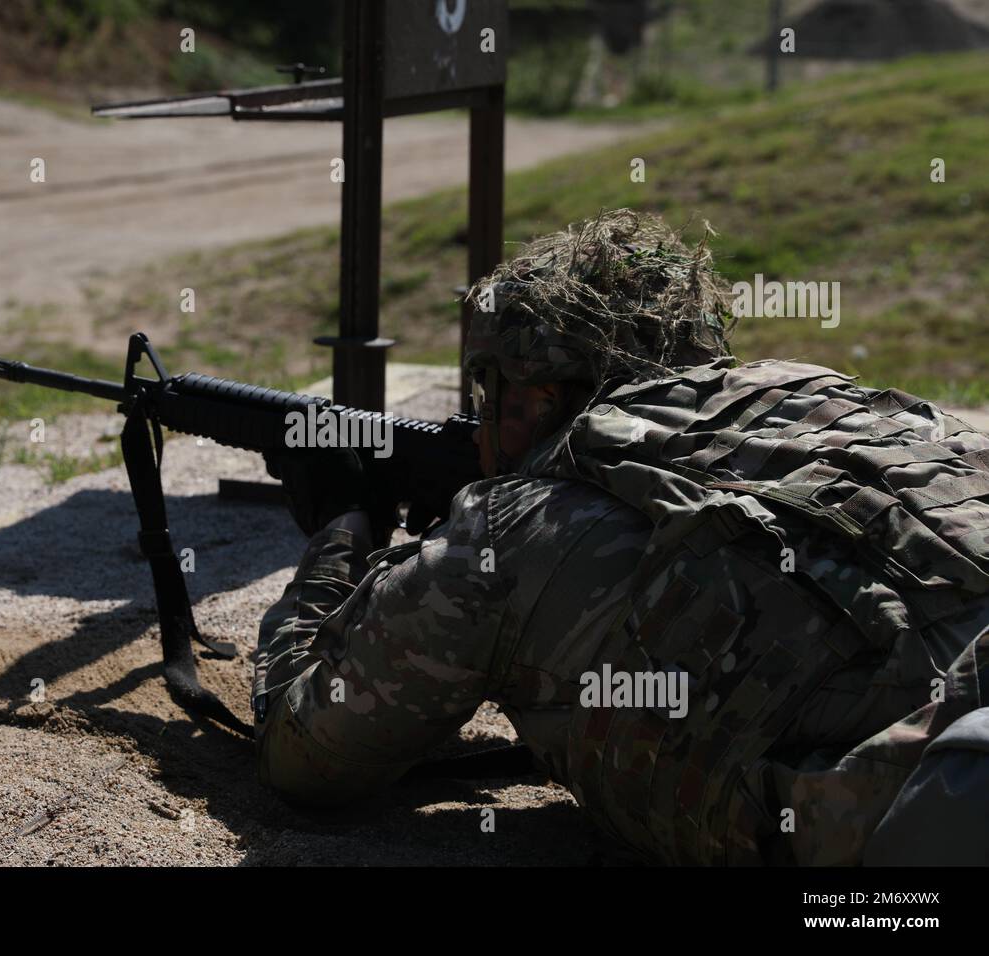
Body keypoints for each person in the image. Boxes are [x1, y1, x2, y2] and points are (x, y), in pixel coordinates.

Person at [255, 209, 989, 865]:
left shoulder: (509, 531)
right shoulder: (824, 393)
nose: (480, 425)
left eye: (488, 397)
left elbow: (308, 754)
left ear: (534, 398)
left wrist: (342, 529)